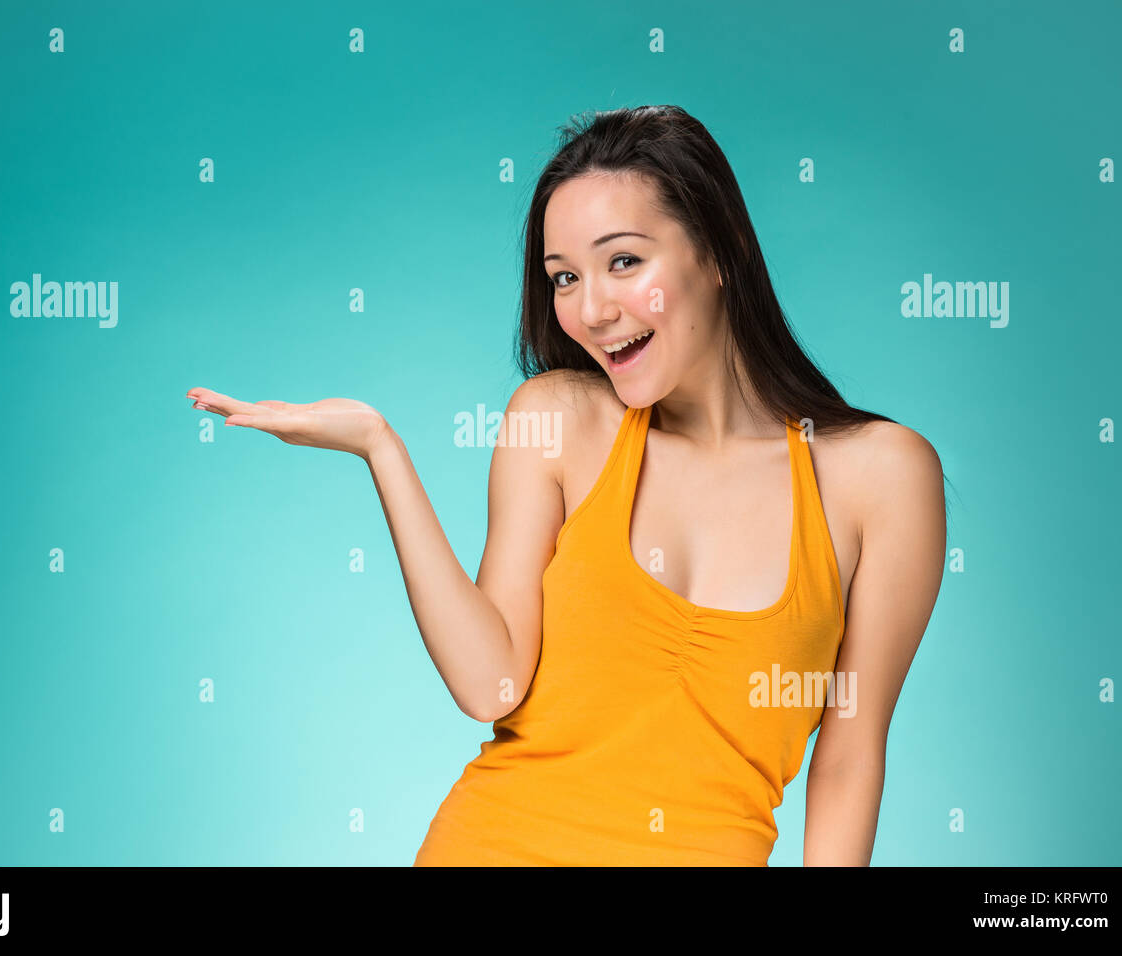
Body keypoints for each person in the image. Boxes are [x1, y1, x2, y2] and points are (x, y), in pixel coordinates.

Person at [185, 105, 947, 866]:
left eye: (624, 262)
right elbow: (492, 687)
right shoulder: (554, 420)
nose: (591, 311)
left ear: (721, 251)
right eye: (564, 278)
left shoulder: (879, 478)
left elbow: (848, 763)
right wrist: (381, 449)